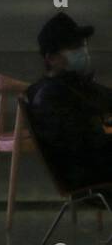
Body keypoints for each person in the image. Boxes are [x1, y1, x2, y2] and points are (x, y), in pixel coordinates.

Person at [26, 13, 112, 192]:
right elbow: (82, 143)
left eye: (83, 46)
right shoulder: (51, 96)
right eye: (75, 47)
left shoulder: (72, 85)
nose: (83, 52)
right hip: (92, 176)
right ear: (51, 58)